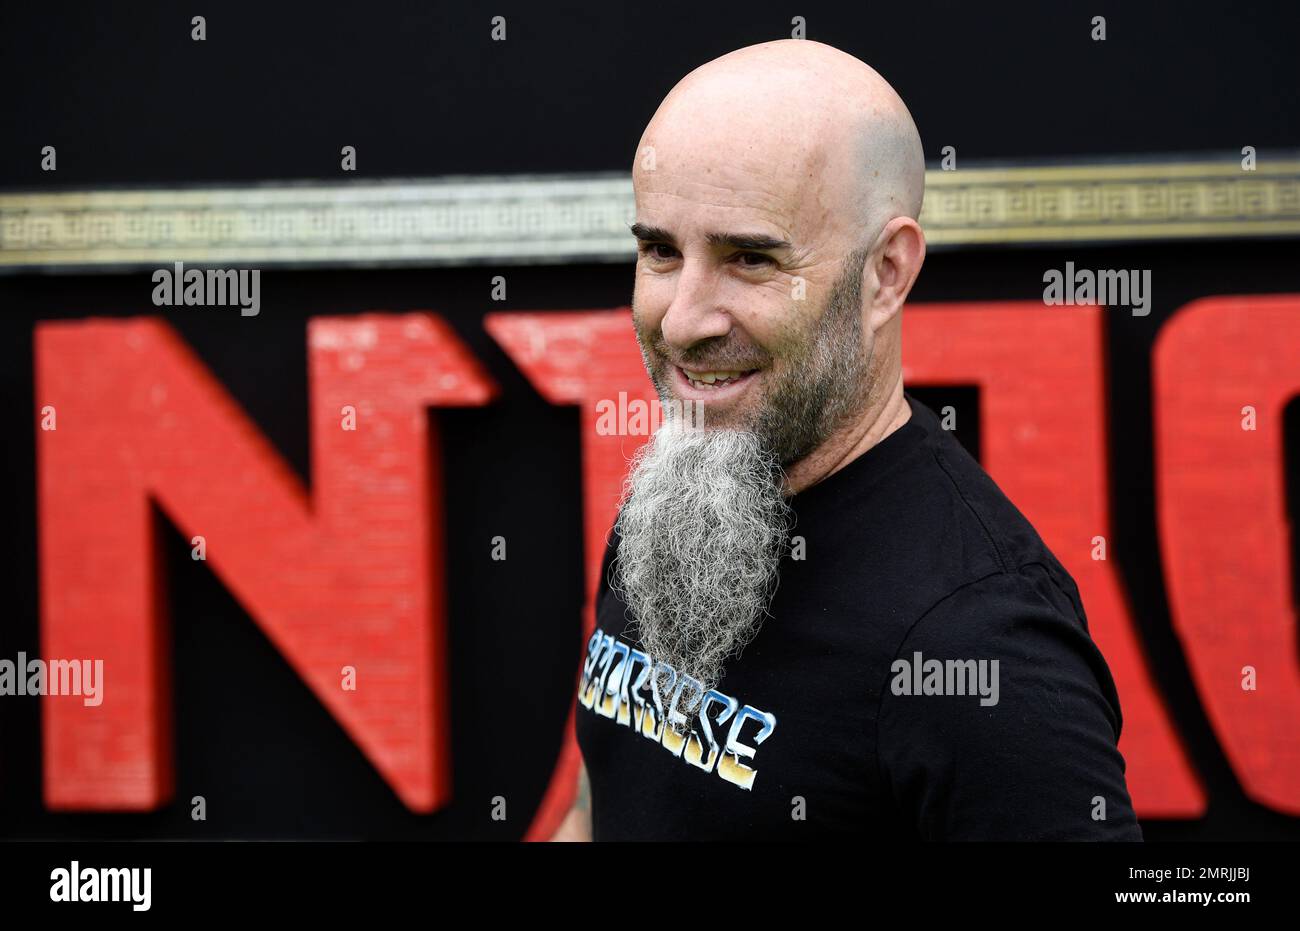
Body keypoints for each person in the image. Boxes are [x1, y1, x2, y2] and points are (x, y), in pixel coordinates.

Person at [551, 38, 1142, 841]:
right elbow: (605, 800)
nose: (682, 320)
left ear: (886, 273)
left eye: (750, 259)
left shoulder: (979, 642)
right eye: (660, 250)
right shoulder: (678, 492)